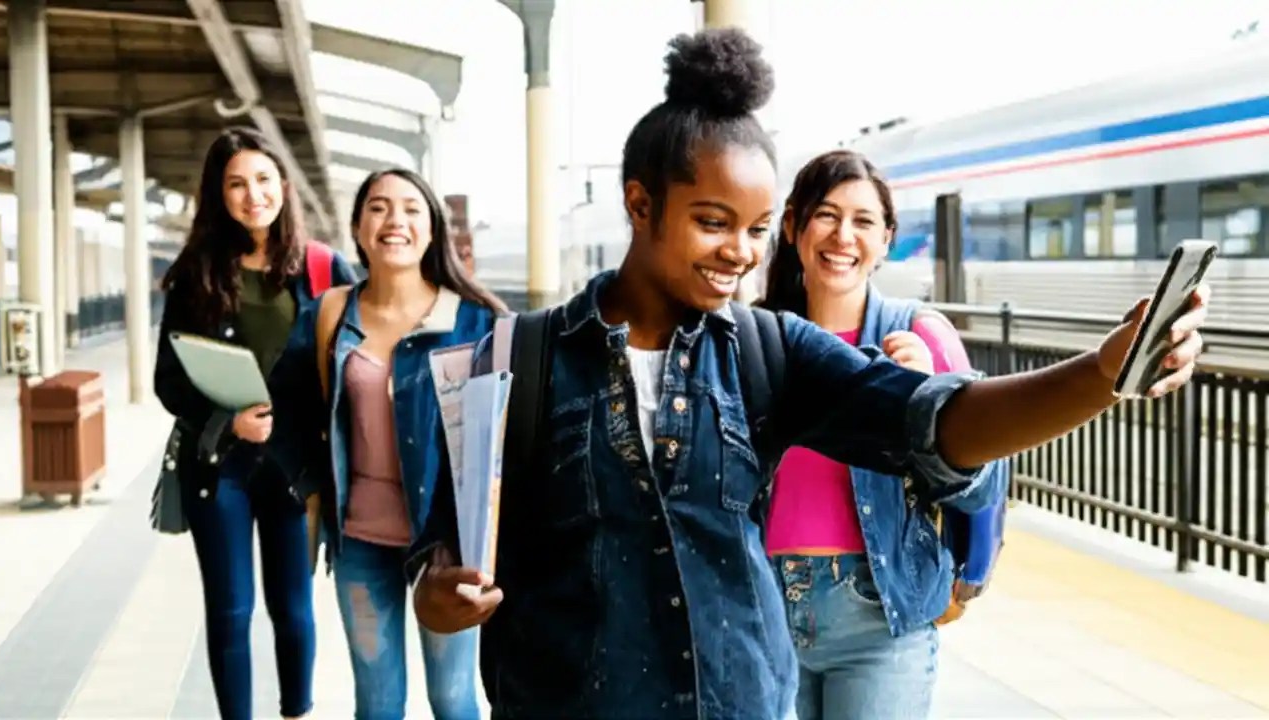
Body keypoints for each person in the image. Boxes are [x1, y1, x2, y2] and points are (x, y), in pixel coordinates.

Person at [407, 28, 1209, 720]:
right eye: (712, 223)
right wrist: (440, 600)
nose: (741, 253)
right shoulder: (520, 357)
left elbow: (938, 419)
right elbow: (448, 551)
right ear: (640, 204)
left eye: (757, 229)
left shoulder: (769, 351)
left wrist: (1103, 374)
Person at [759, 148, 1009, 719]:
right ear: (794, 226)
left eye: (863, 221)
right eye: (826, 214)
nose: (843, 235)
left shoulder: (920, 335)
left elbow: (984, 486)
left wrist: (924, 401)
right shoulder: (756, 336)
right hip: (763, 610)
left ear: (886, 239)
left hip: (880, 620)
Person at [154, 126, 356, 720]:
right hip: (220, 465)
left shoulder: (323, 268)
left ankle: (297, 711)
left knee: (294, 609)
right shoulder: (195, 273)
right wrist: (227, 418)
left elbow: (352, 364)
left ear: (285, 186)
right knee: (231, 610)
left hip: (296, 468)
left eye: (263, 180)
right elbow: (169, 378)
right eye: (237, 184)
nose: (253, 195)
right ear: (218, 195)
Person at [307, 168, 505, 720]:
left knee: (453, 697)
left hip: (446, 543)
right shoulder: (330, 316)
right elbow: (295, 415)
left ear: (432, 229)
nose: (395, 220)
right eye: (378, 207)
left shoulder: (475, 320)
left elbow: (506, 435)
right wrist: (306, 490)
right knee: (377, 700)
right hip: (360, 536)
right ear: (358, 227)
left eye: (412, 209)